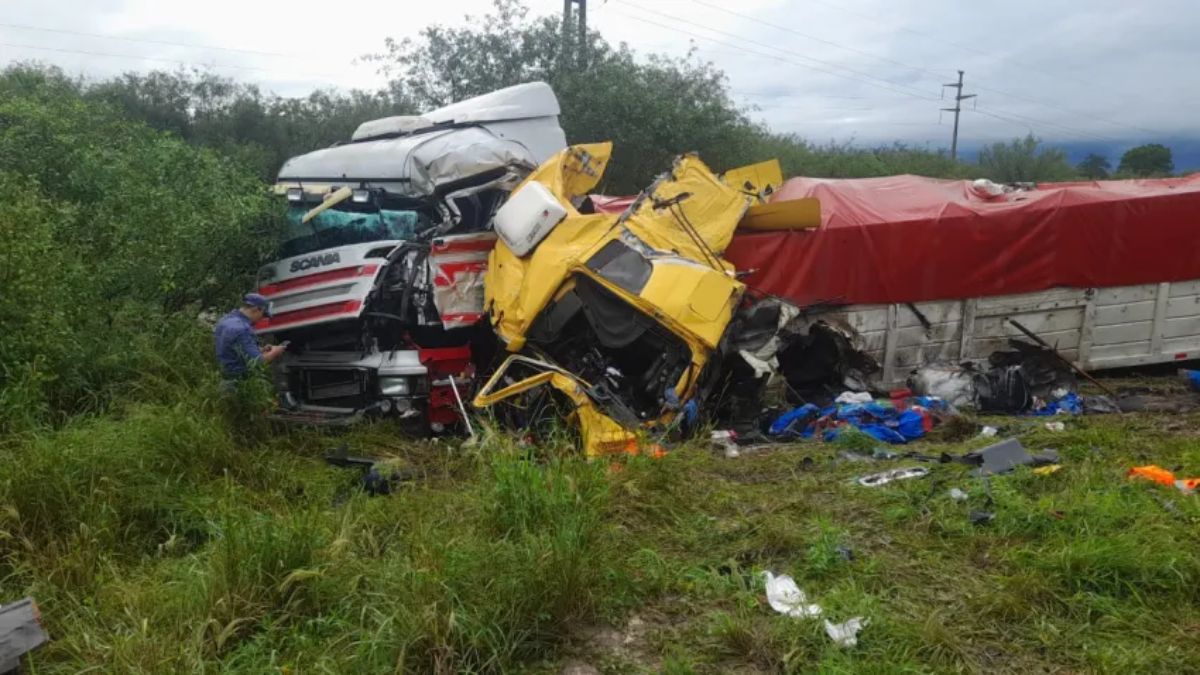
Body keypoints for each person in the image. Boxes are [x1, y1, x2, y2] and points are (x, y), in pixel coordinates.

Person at [214, 292, 285, 388]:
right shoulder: (242, 329)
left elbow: (233, 348)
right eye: (263, 315)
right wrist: (275, 352)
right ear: (255, 309)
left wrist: (260, 350)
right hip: (238, 384)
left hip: (223, 380)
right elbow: (257, 362)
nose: (262, 318)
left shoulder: (224, 321)